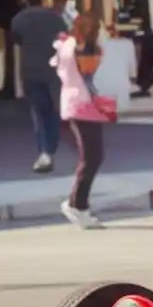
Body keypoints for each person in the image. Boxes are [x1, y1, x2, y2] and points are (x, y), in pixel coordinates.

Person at [53, 13, 113, 229]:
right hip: (82, 105)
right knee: (92, 157)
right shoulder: (82, 50)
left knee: (92, 156)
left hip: (75, 103)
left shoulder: (66, 45)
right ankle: (76, 204)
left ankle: (80, 205)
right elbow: (91, 68)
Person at [10, 0, 68, 173]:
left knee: (38, 112)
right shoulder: (56, 19)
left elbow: (17, 41)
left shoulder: (18, 20)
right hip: (52, 71)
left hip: (30, 70)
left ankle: (44, 151)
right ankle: (50, 149)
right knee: (53, 111)